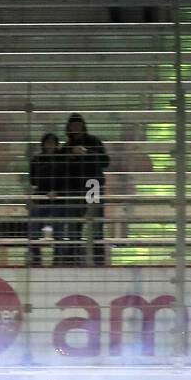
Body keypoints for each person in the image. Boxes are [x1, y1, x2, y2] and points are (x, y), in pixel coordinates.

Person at [60, 114, 111, 266]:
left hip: (92, 184)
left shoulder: (94, 141)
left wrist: (87, 153)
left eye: (78, 125)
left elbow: (105, 161)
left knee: (96, 223)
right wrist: (70, 155)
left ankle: (98, 258)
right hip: (73, 188)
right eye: (73, 126)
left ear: (83, 127)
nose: (76, 128)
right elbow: (58, 167)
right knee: (74, 225)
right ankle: (73, 257)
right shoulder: (66, 147)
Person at [29, 132, 67, 266]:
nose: (50, 145)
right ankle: (36, 259)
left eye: (52, 143)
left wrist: (58, 192)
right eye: (47, 142)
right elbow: (33, 180)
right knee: (33, 229)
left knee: (59, 232)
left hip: (58, 200)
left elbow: (66, 179)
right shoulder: (36, 159)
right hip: (41, 198)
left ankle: (58, 260)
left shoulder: (62, 160)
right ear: (43, 144)